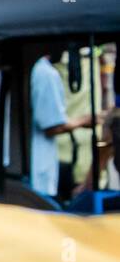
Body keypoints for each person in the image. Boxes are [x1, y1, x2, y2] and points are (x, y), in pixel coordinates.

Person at [29, 53, 95, 200]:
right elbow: (52, 126)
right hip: (39, 169)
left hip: (40, 165)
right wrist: (85, 120)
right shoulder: (45, 73)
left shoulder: (36, 70)